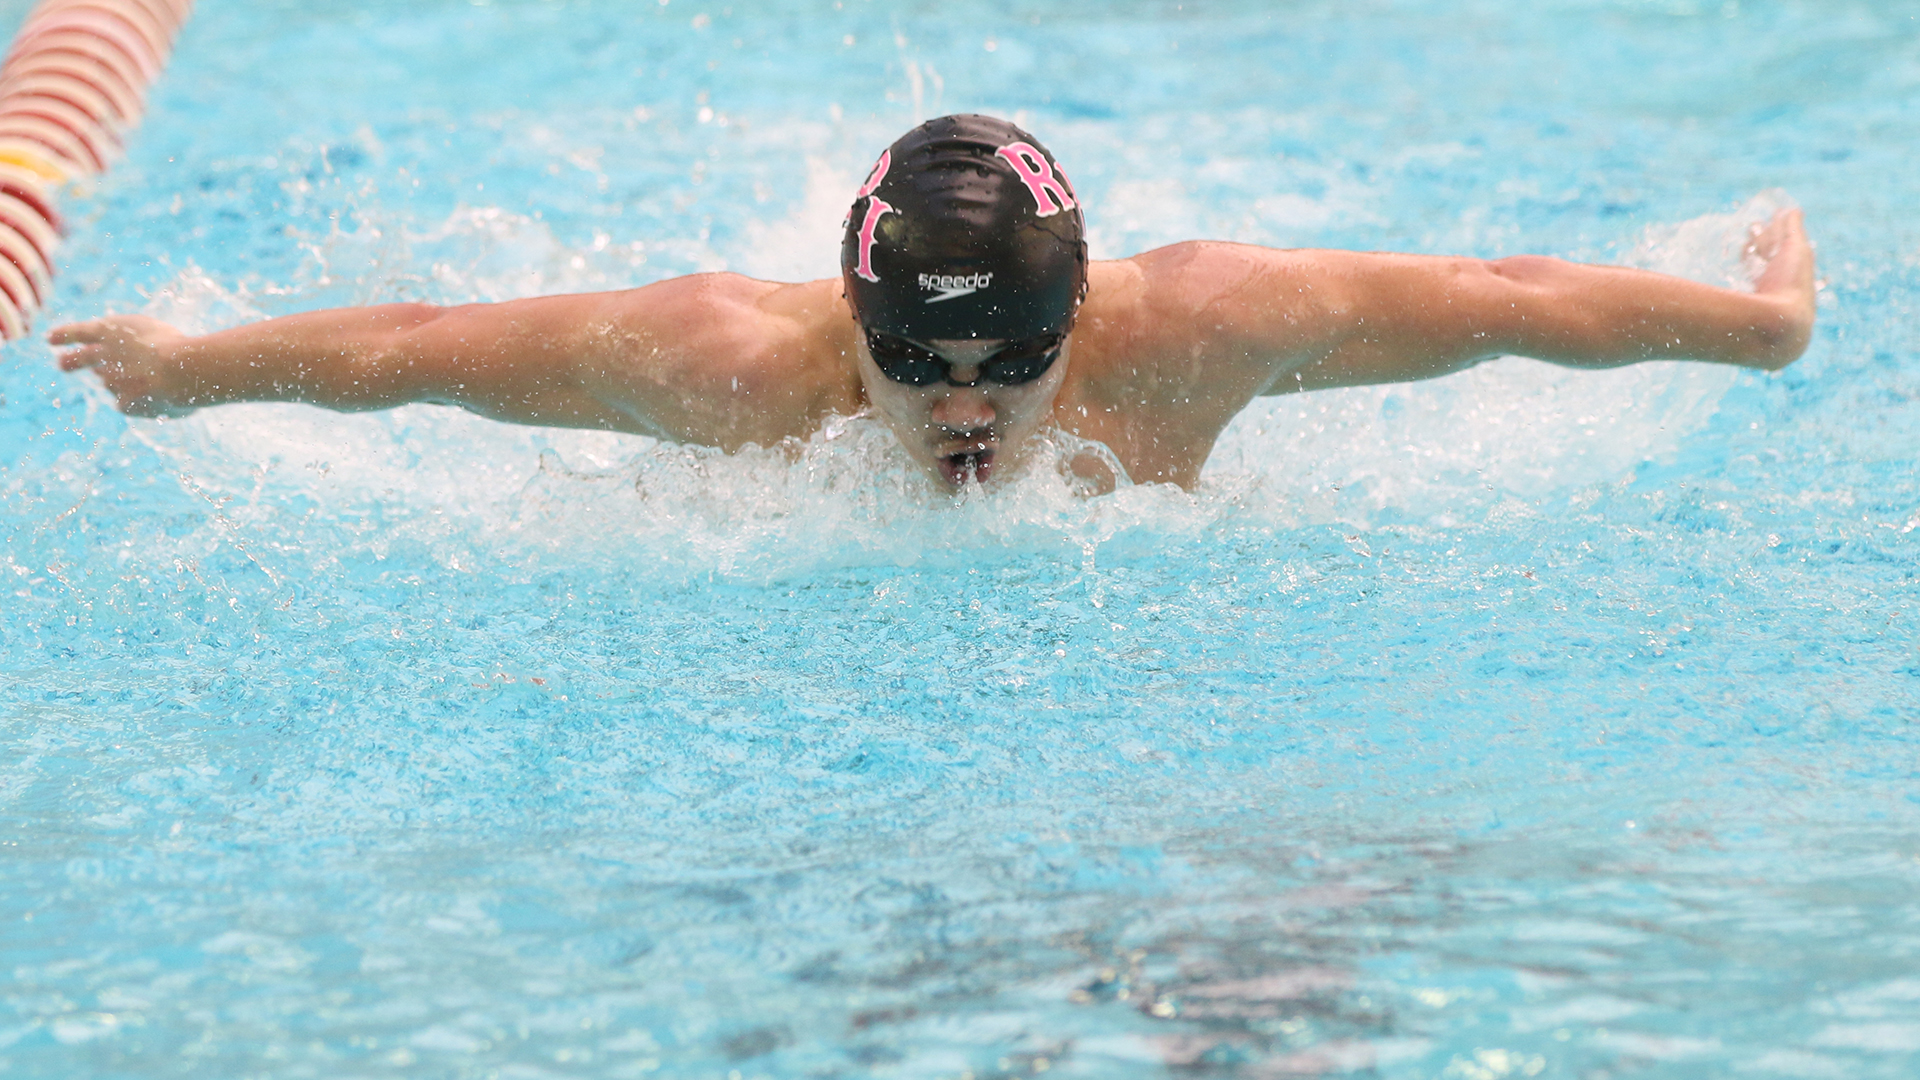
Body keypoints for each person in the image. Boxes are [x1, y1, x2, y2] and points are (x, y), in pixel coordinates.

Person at [49, 114, 1815, 491]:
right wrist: (188, 369)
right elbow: (425, 357)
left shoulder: (1202, 328)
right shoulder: (731, 364)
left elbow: (1499, 298)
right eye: (915, 360)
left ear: (1083, 316)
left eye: (1011, 359)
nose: (965, 403)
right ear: (852, 319)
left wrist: (1760, 328)